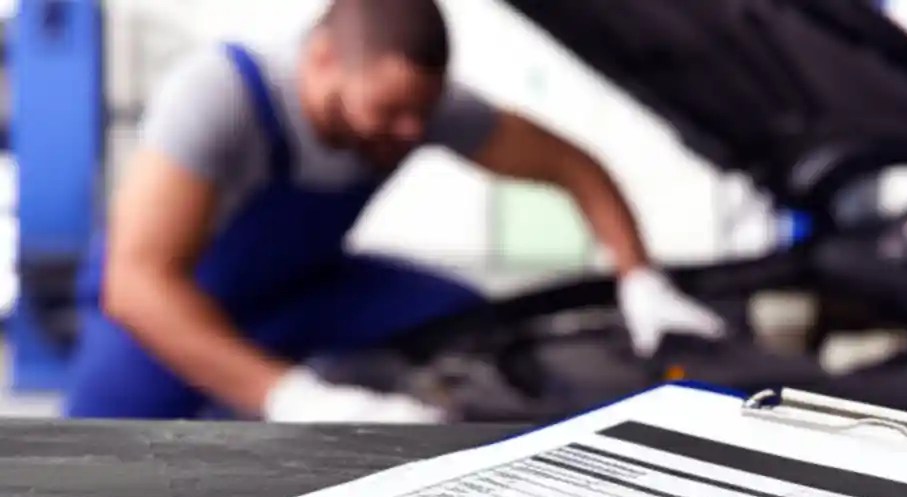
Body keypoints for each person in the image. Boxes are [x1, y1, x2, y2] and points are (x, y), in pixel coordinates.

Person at [64, 0, 726, 423]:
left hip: (304, 287)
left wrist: (641, 279)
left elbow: (574, 168)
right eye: (389, 113)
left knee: (461, 315)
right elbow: (138, 284)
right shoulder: (217, 96)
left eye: (423, 114)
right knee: (101, 467)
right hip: (167, 306)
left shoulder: (419, 110)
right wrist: (292, 398)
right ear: (321, 59)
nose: (411, 133)